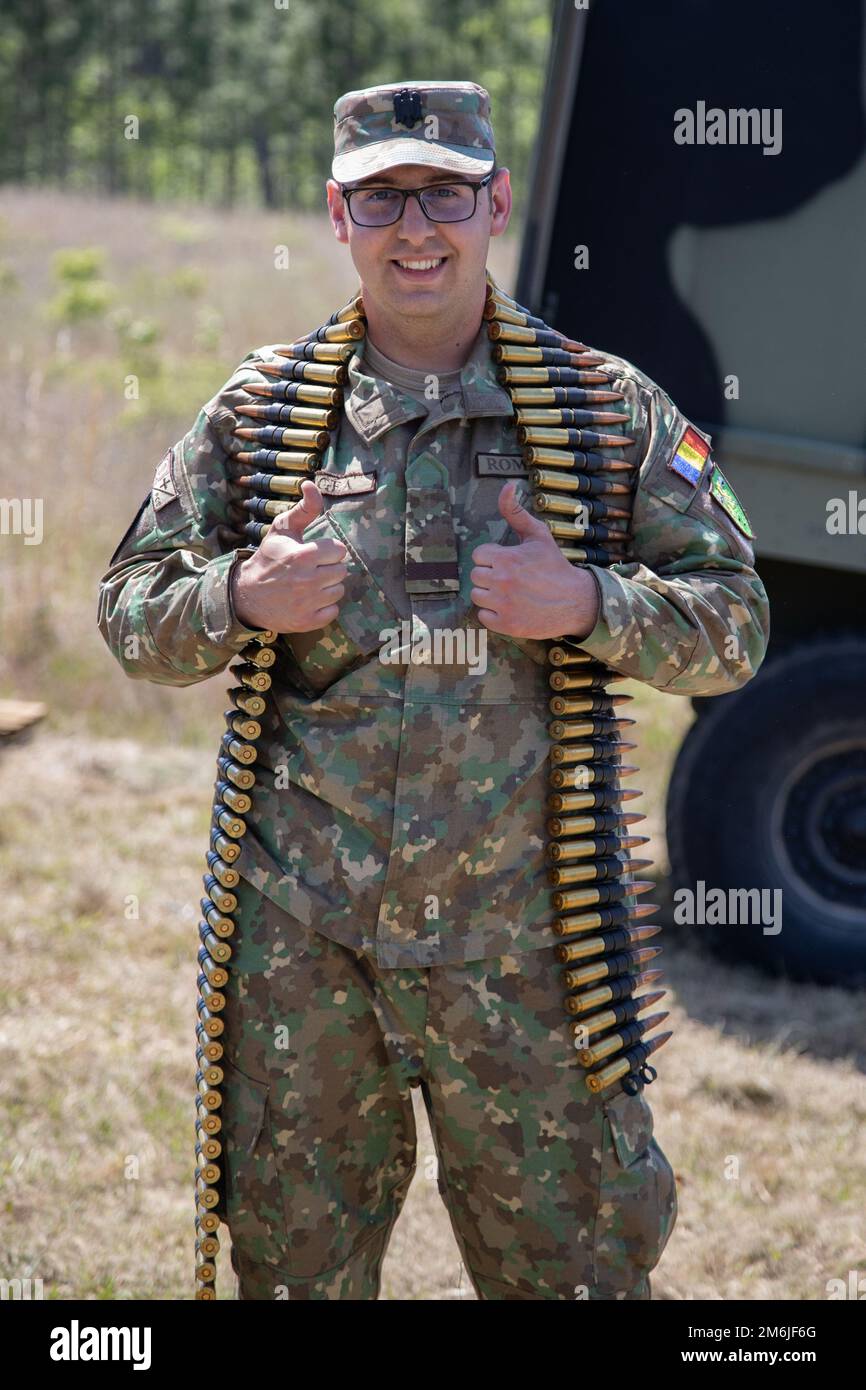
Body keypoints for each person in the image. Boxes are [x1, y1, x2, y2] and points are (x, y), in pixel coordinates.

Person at [97, 80, 770, 1300]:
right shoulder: (261, 414)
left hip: (528, 950)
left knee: (572, 1274)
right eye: (382, 197)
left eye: (445, 194)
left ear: (496, 203)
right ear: (336, 214)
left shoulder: (603, 413)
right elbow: (130, 615)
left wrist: (589, 606)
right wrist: (239, 597)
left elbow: (735, 627)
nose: (417, 229)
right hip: (306, 947)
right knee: (295, 1270)